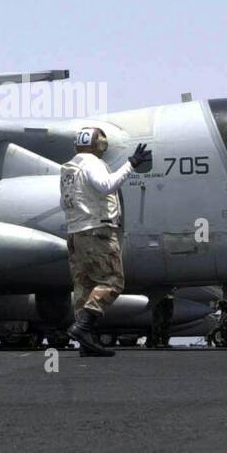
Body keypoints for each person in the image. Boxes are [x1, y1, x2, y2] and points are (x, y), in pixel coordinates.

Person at [59, 127, 150, 356]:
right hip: (96, 232)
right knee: (112, 281)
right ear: (98, 144)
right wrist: (131, 164)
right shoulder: (92, 163)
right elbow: (106, 185)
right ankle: (82, 327)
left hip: (76, 233)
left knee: (84, 286)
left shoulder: (69, 168)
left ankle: (87, 344)